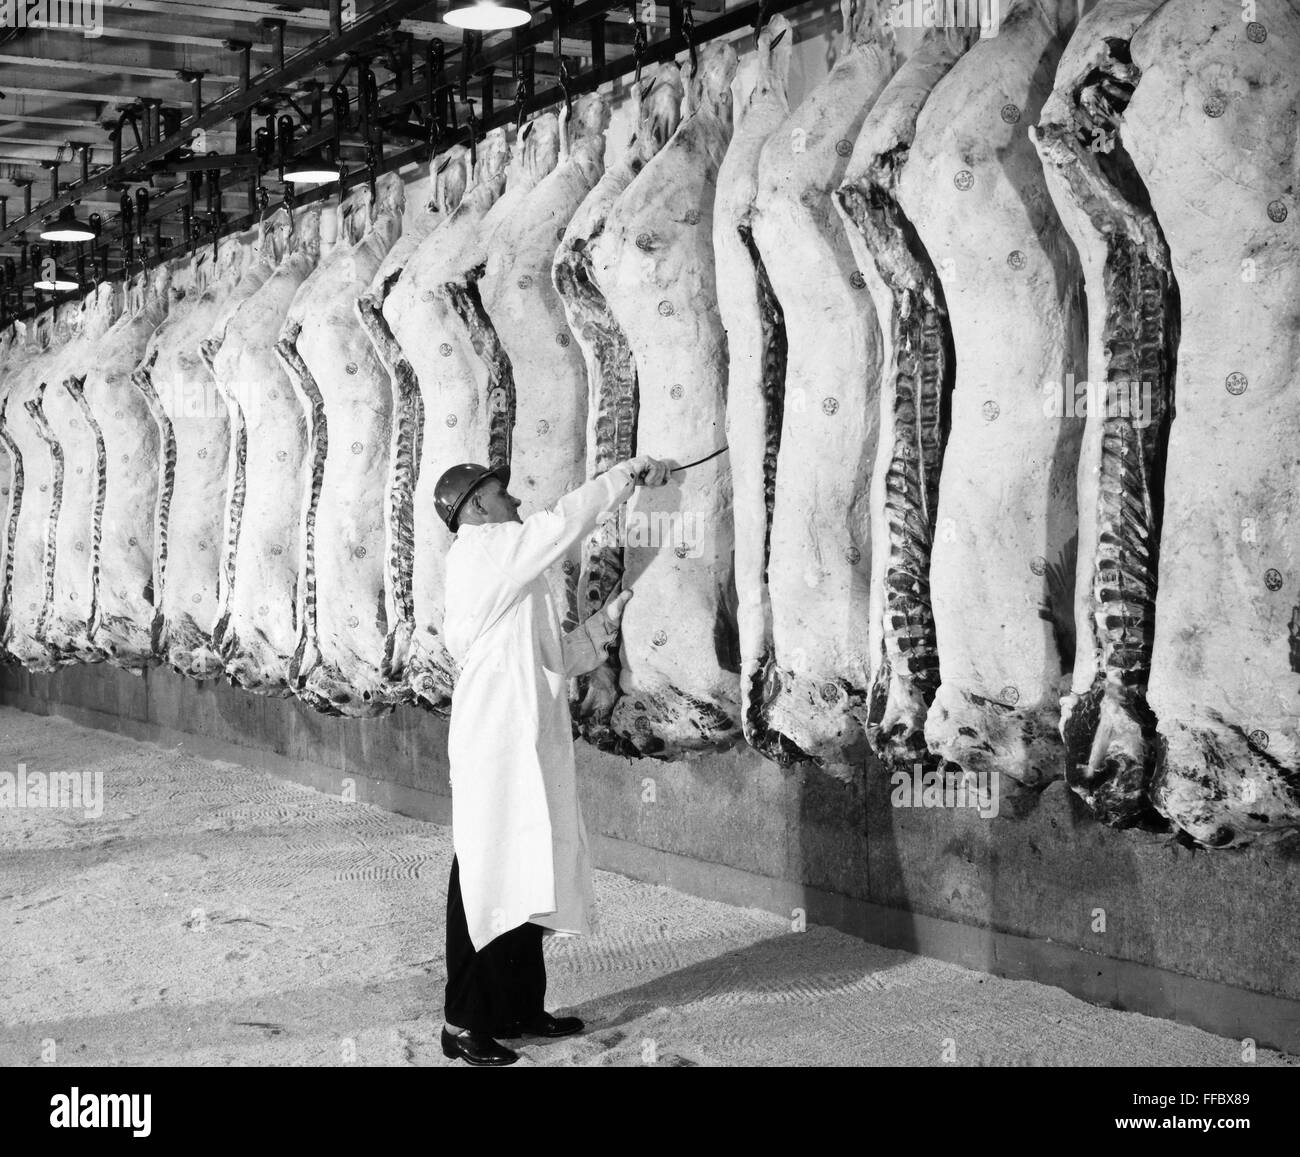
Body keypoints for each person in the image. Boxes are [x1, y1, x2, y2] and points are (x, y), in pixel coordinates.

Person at [433, 454, 672, 1066]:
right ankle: (463, 1023)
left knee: (529, 863)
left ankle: (517, 1009)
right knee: (484, 875)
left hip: (526, 734)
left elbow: (554, 655)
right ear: (476, 507)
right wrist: (624, 476)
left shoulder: (511, 573)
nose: (514, 501)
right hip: (494, 737)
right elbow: (560, 523)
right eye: (500, 493)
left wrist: (606, 622)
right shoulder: (484, 550)